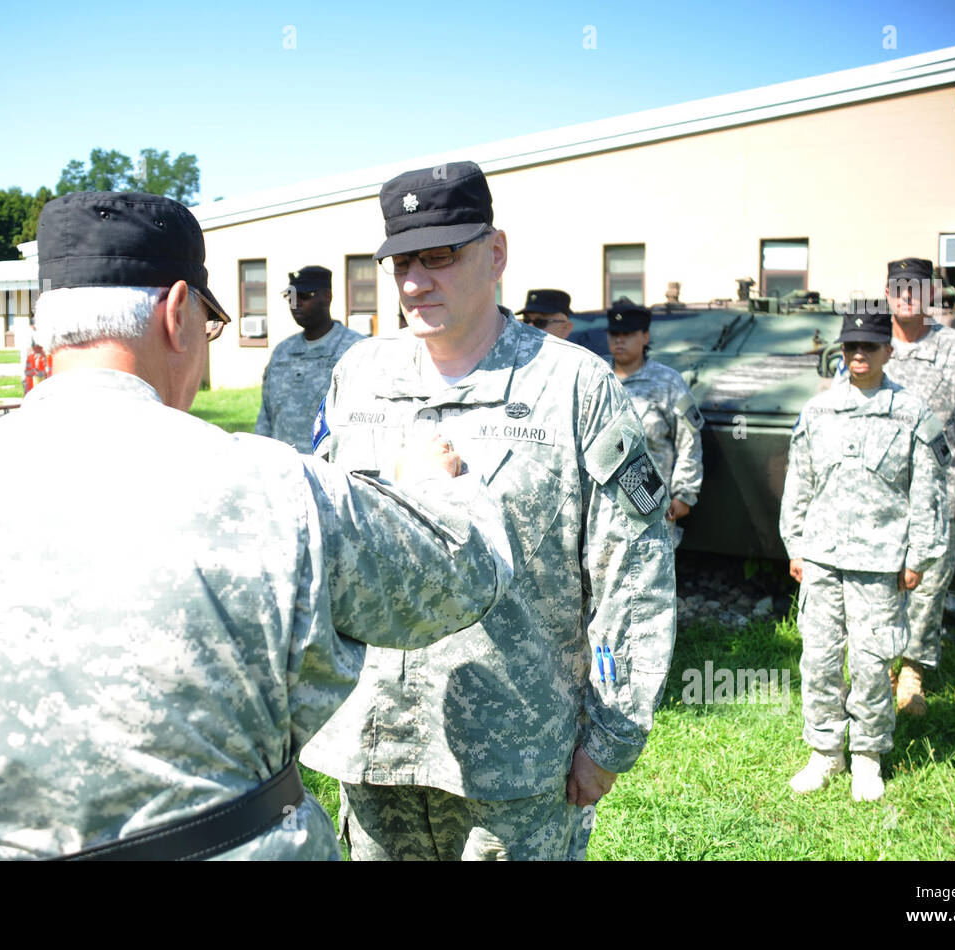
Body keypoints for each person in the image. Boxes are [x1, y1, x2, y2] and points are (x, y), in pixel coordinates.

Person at [0, 191, 513, 861]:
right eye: (209, 322)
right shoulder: (275, 489)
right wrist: (432, 481)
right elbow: (459, 577)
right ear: (177, 313)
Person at [299, 160, 676, 860]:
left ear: (495, 254)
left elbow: (633, 572)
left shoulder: (573, 386)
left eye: (439, 257)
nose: (415, 282)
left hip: (513, 759)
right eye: (402, 262)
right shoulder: (358, 377)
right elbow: (324, 541)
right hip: (373, 745)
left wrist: (612, 737)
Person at [780, 309, 949, 802]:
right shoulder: (818, 411)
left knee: (873, 664)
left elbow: (928, 492)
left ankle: (868, 757)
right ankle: (825, 752)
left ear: (887, 352)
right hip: (823, 558)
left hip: (880, 563)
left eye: (869, 347)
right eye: (851, 347)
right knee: (819, 660)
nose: (858, 355)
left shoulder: (911, 412)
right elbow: (800, 483)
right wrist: (795, 544)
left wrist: (919, 555)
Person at [881, 258, 955, 714]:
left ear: (932, 294)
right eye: (899, 287)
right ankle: (879, 664)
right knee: (882, 585)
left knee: (928, 587)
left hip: (938, 492)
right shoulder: (868, 344)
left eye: (917, 288)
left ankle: (912, 671)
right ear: (887, 292)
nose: (907, 295)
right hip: (877, 497)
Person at [606, 296, 704, 547]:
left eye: (627, 333)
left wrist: (684, 494)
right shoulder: (597, 378)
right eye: (614, 333)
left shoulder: (669, 382)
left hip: (653, 505)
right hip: (602, 506)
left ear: (645, 337)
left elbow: (688, 440)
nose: (619, 340)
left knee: (653, 581)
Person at [255, 265, 363, 452]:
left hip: (329, 474)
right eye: (290, 297)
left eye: (304, 296)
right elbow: (266, 416)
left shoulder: (356, 350)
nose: (295, 304)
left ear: (327, 296)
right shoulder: (283, 351)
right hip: (282, 471)